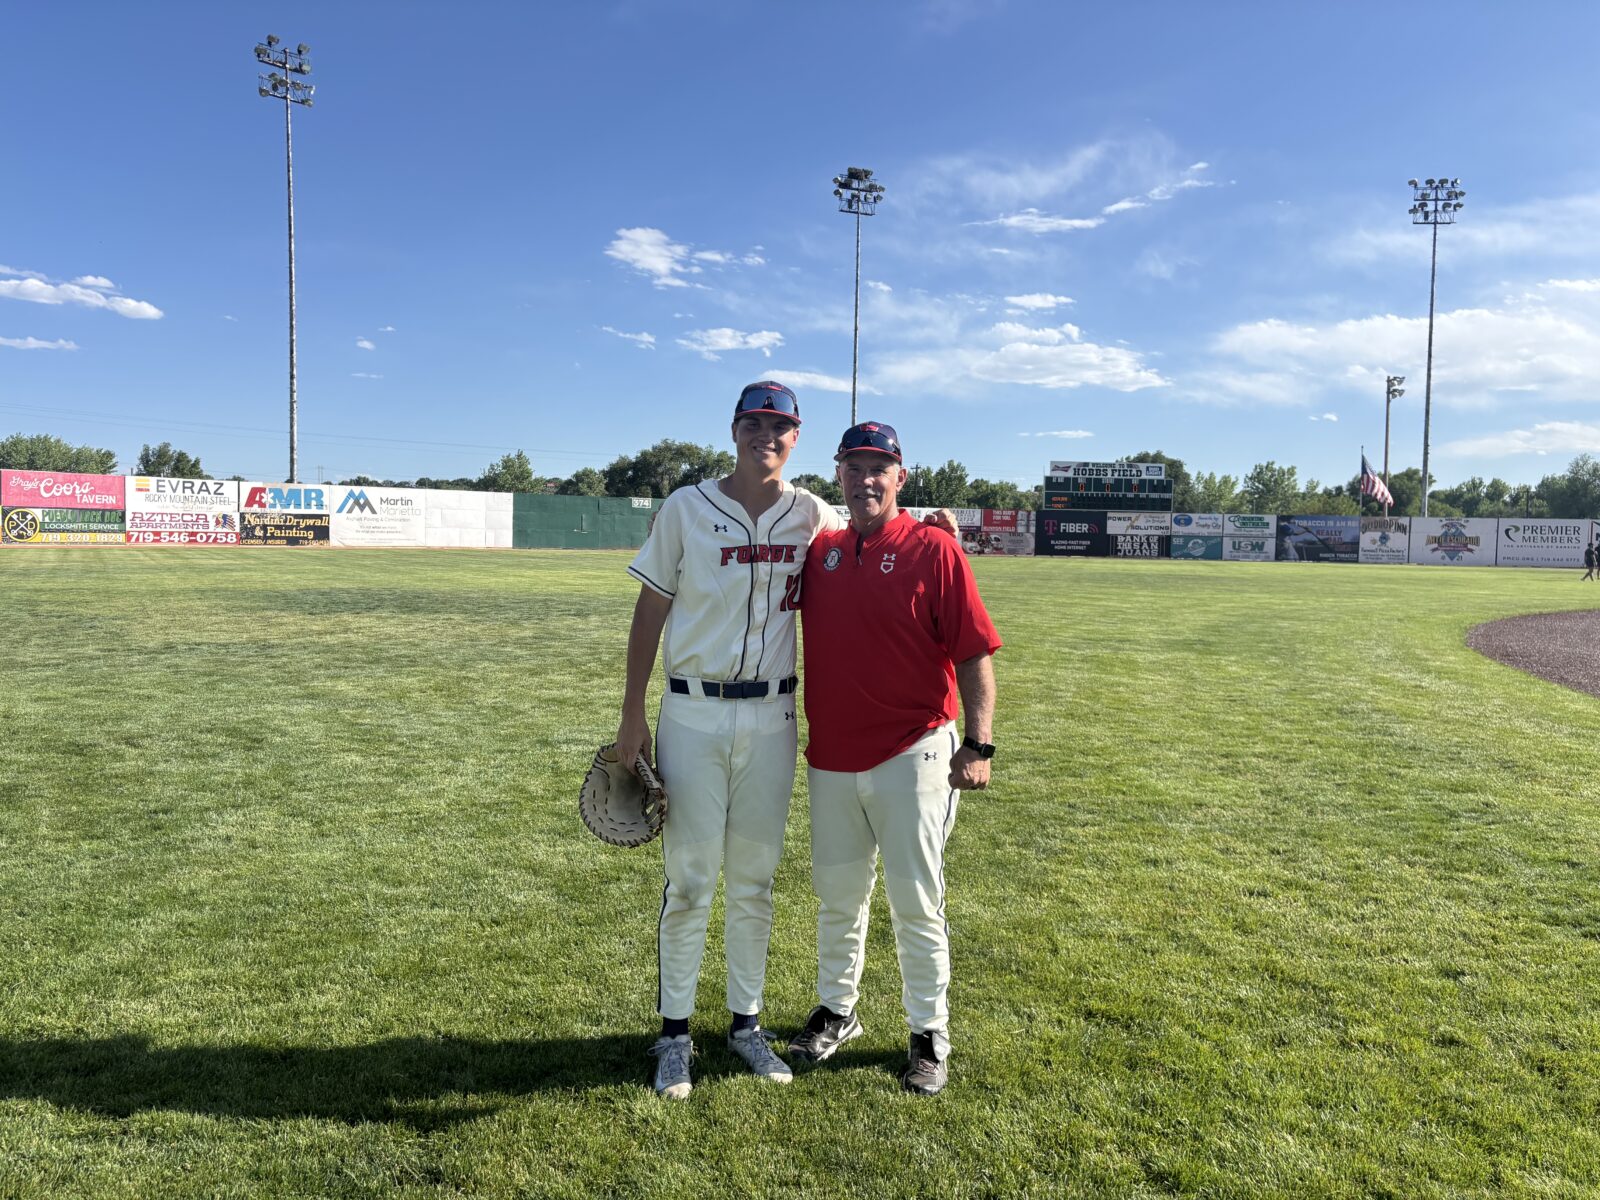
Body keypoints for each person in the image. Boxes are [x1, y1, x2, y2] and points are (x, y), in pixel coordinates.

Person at [615, 383, 957, 1101]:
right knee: (690, 881)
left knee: (755, 880)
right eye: (754, 422)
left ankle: (746, 1026)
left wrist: (934, 525)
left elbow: (877, 524)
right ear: (734, 429)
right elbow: (650, 609)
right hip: (691, 713)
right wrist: (631, 716)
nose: (766, 434)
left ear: (796, 438)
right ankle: (674, 1035)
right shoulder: (686, 507)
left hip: (772, 719)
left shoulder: (811, 514)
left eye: (781, 425)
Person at [787, 420, 1002, 1097]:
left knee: (917, 903)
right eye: (853, 467)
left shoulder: (933, 548)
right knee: (838, 899)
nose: (866, 480)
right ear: (839, 477)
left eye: (879, 468)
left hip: (915, 753)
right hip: (831, 758)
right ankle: (838, 1010)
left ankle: (928, 1034)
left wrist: (980, 742)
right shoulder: (820, 552)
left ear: (900, 478)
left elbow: (973, 653)